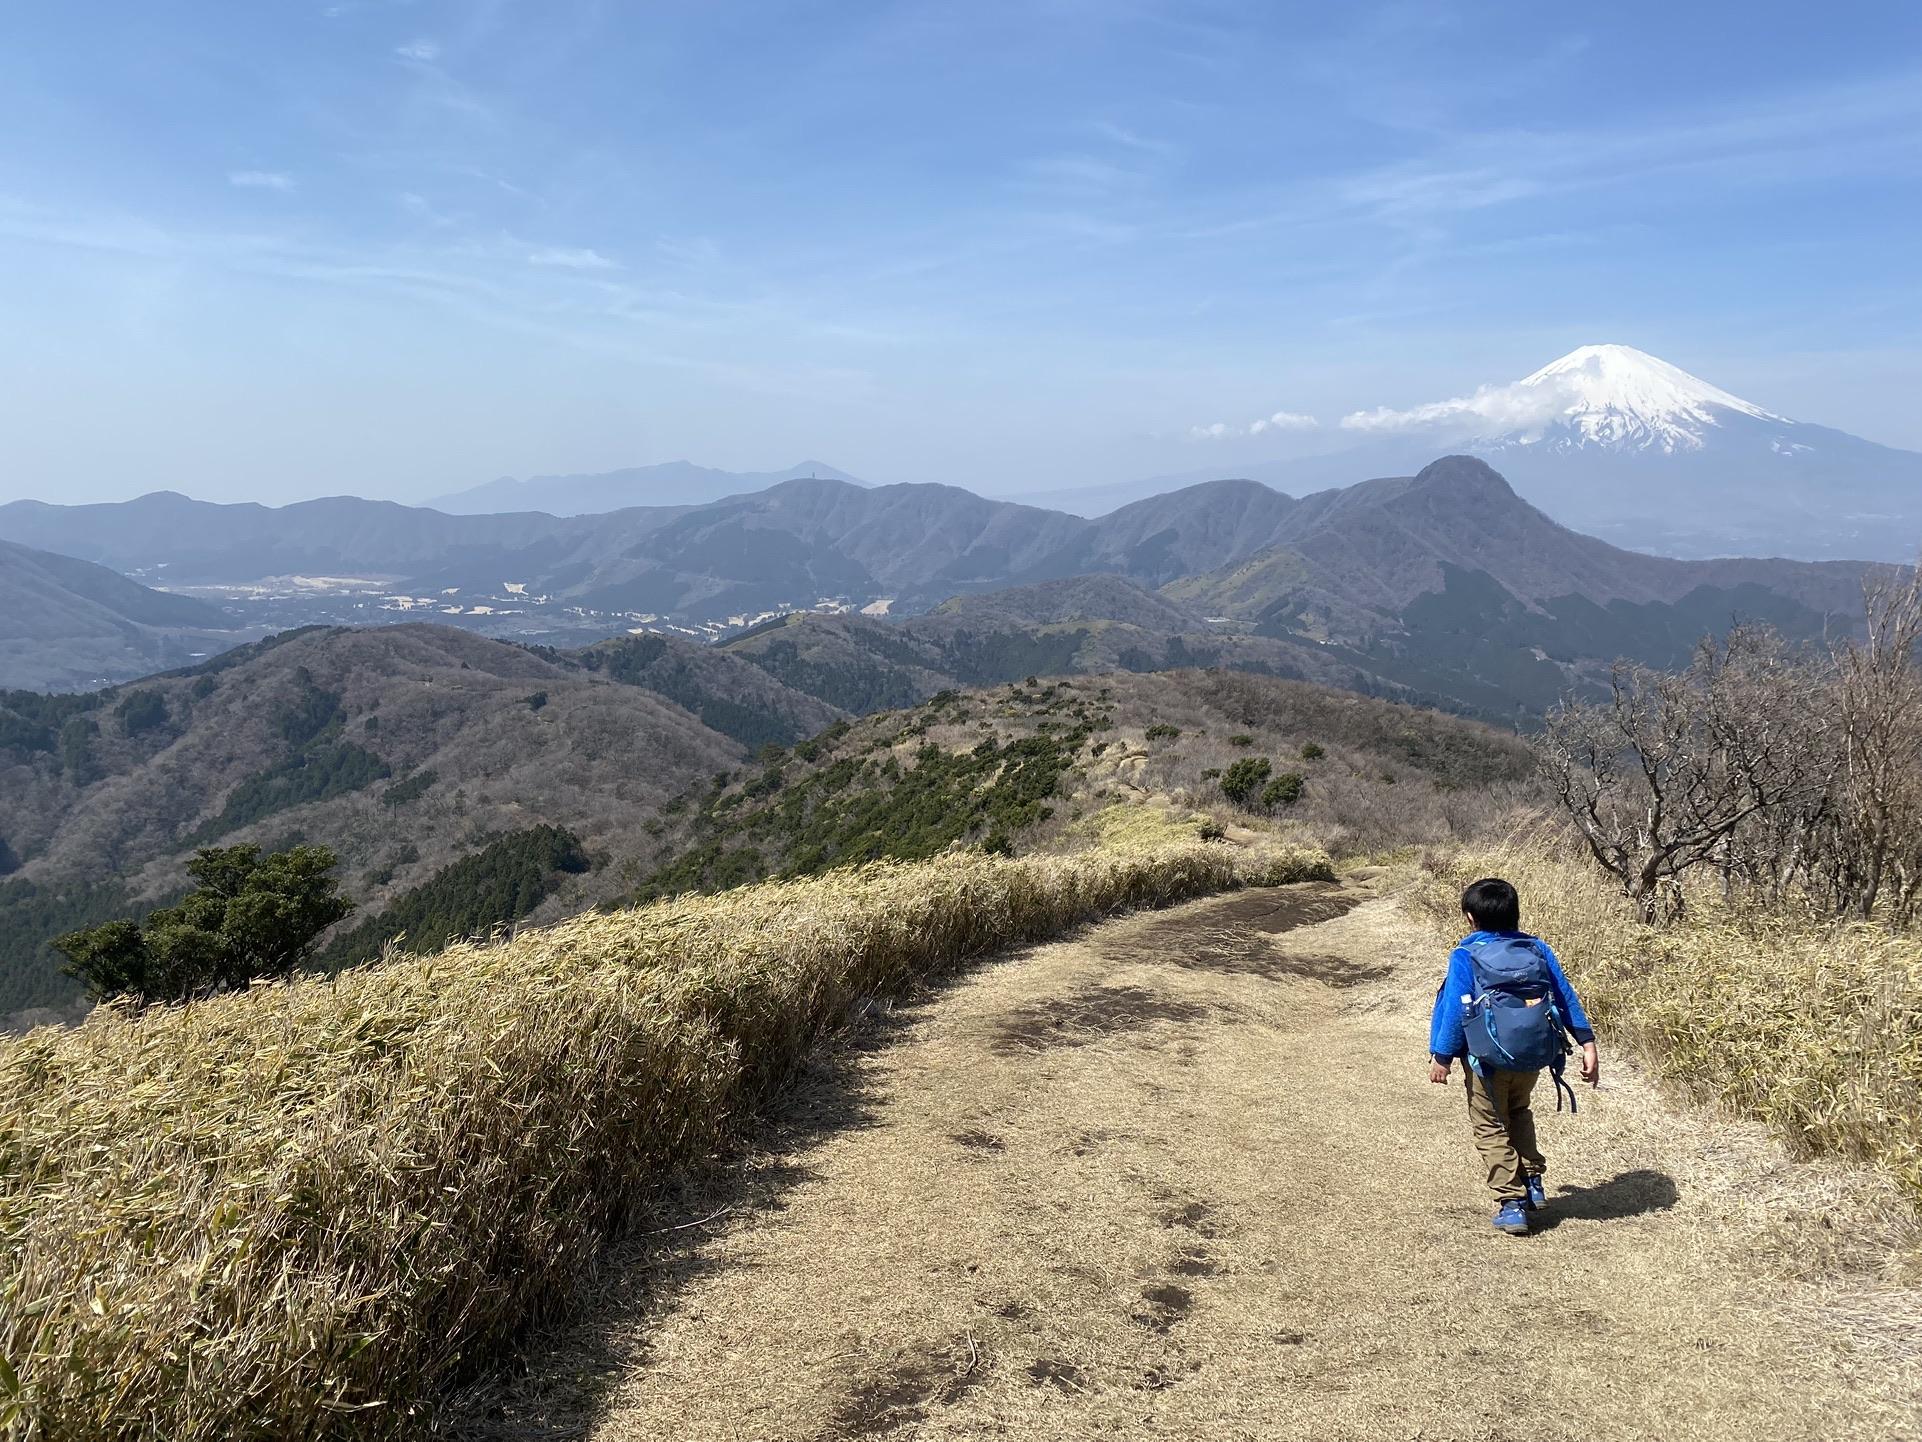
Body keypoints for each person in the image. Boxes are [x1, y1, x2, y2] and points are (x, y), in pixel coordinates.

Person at [1428, 877, 1599, 1235]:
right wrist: (1586, 1042)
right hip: (1531, 1054)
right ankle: (1533, 1182)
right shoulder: (1537, 949)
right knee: (1519, 1111)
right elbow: (1565, 995)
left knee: (1490, 1124)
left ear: (1470, 917)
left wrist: (1442, 1055)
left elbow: (1454, 1008)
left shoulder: (1465, 954)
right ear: (1516, 913)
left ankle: (1511, 1202)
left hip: (1485, 1060)